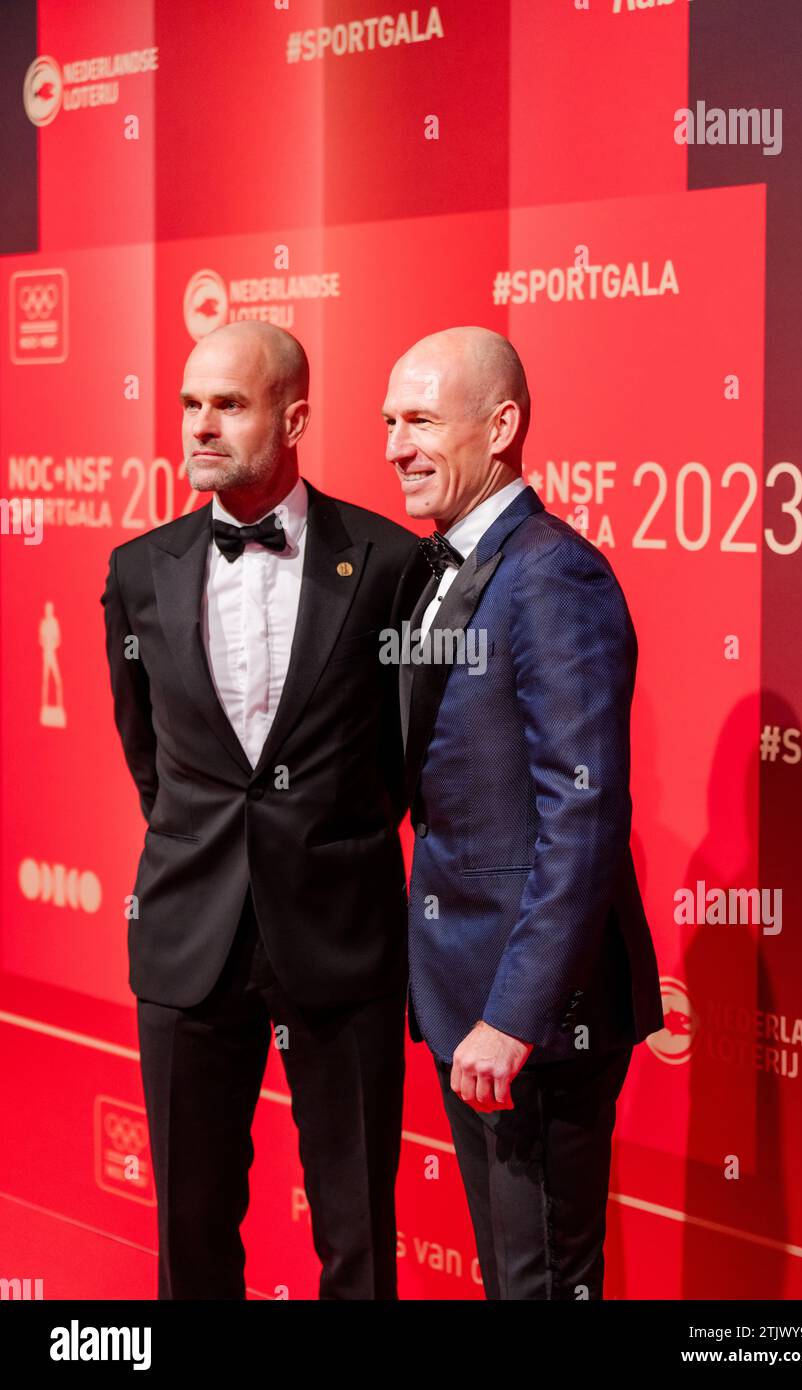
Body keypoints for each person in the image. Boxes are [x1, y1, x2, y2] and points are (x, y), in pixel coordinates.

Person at [101, 320, 428, 1299]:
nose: (201, 424)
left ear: (293, 417)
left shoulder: (386, 561)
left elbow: (402, 754)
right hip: (187, 937)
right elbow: (148, 756)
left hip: (339, 932)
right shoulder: (137, 570)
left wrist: (323, 837)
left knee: (358, 1236)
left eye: (228, 405)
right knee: (189, 1236)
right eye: (191, 403)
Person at [383, 326, 664, 1300]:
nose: (395, 447)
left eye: (420, 420)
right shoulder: (440, 570)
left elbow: (580, 814)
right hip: (466, 988)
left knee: (539, 1276)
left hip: (533, 1009)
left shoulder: (550, 574)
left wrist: (514, 1014)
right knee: (518, 1275)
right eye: (389, 422)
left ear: (500, 425)